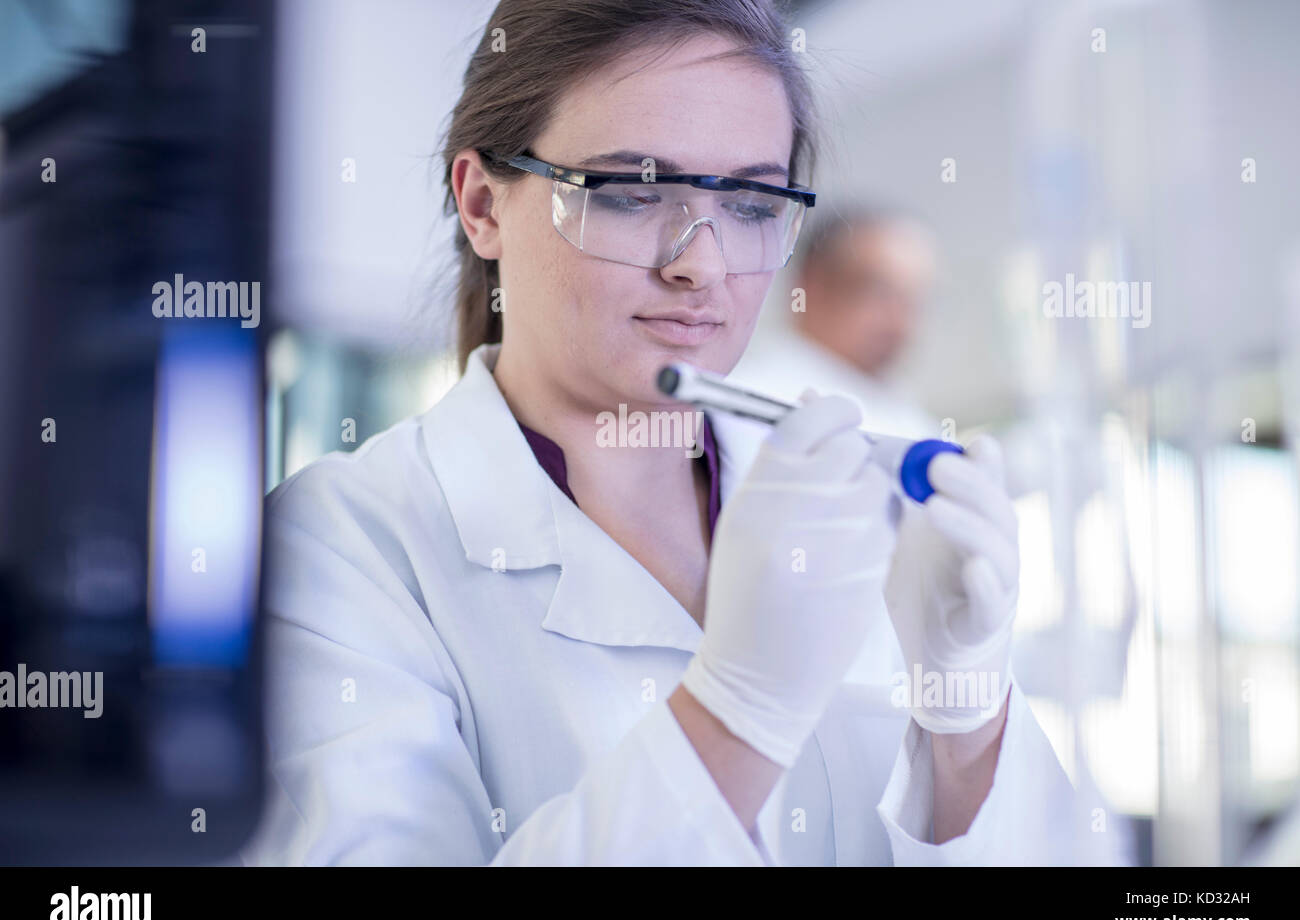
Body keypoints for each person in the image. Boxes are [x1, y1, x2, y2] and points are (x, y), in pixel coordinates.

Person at [239, 0, 1083, 866]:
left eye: (753, 203)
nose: (701, 263)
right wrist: (733, 718)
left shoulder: (850, 503)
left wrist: (968, 717)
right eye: (635, 192)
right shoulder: (337, 552)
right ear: (484, 203)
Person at [732, 205, 940, 440]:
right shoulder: (748, 403)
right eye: (879, 293)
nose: (900, 324)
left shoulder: (912, 421)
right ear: (811, 285)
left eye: (911, 301)